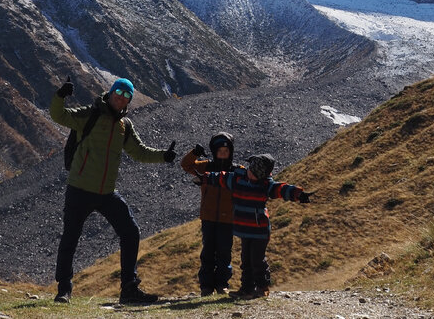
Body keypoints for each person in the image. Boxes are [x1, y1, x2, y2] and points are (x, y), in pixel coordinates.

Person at [50, 77, 176, 305]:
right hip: (79, 189)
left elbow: (139, 152)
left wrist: (163, 156)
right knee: (70, 238)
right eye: (118, 91)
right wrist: (60, 96)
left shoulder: (124, 126)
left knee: (130, 232)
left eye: (127, 95)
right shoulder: (90, 114)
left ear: (129, 101)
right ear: (110, 92)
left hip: (106, 192)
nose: (121, 97)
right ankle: (64, 290)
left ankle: (129, 289)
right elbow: (59, 116)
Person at [199, 152, 314, 299]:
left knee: (257, 261)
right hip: (245, 230)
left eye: (256, 174)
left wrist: (299, 194)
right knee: (246, 261)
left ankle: (262, 287)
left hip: (260, 232)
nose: (252, 175)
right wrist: (204, 178)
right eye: (251, 171)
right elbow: (221, 177)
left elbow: (282, 189)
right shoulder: (237, 179)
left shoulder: (266, 185)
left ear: (263, 175)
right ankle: (246, 289)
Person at [180, 132, 239, 295]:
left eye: (226, 151)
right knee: (208, 252)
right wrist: (195, 153)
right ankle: (206, 286)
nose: (223, 154)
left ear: (231, 152)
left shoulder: (236, 170)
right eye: (220, 151)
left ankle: (222, 284)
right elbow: (185, 165)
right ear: (214, 152)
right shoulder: (205, 166)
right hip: (209, 218)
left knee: (224, 252)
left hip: (228, 219)